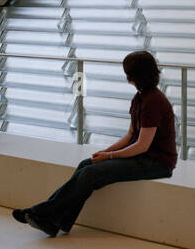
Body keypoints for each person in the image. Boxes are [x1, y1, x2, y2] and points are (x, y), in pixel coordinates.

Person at [13, 50, 176, 237]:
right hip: (143, 157)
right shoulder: (139, 98)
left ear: (135, 76)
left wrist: (110, 156)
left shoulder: (153, 101)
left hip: (157, 163)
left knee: (90, 173)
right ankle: (57, 222)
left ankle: (40, 213)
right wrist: (105, 152)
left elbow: (142, 146)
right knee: (87, 164)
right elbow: (130, 135)